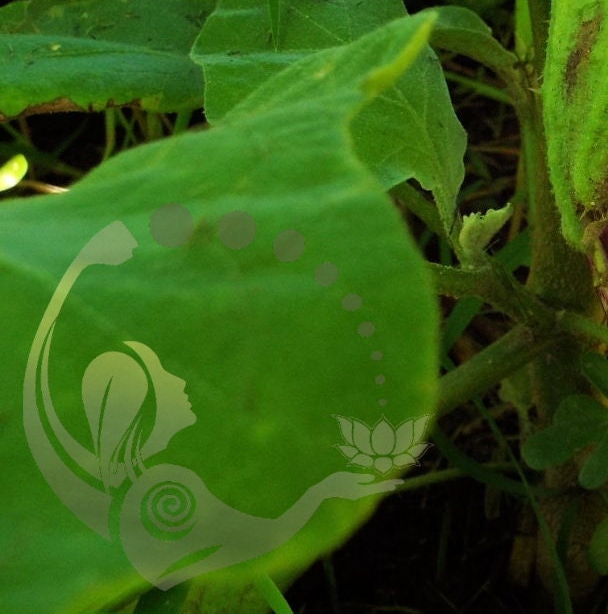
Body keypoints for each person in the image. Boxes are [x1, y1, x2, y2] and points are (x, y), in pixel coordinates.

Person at [24, 221, 398, 590]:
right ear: (142, 408)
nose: (179, 379)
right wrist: (320, 495)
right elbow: (252, 539)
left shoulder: (151, 476)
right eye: (161, 375)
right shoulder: (157, 489)